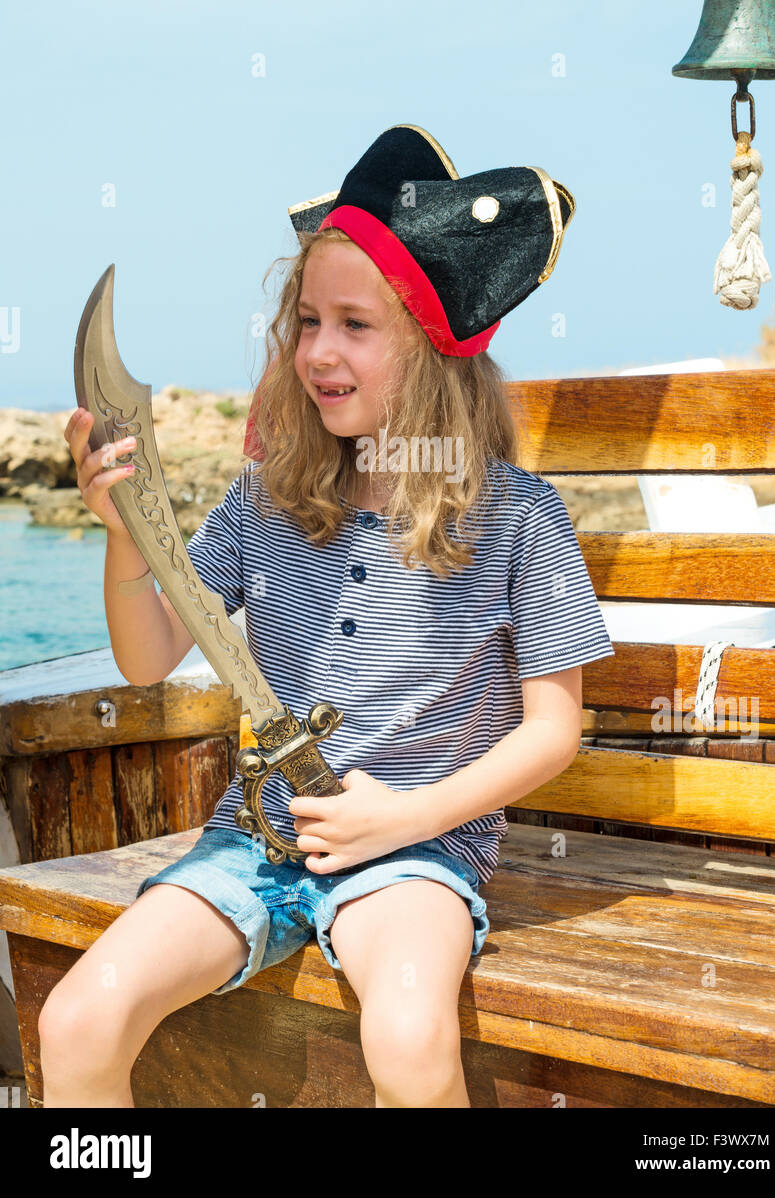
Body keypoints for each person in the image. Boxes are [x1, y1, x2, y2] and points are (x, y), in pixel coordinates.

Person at [40, 123, 615, 1109]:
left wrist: (408, 814)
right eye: (307, 322)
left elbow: (553, 726)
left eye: (355, 325)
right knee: (75, 1020)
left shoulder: (518, 517)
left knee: (407, 1040)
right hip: (254, 842)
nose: (318, 351)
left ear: (433, 347)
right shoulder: (265, 501)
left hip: (415, 849)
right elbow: (145, 659)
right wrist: (123, 528)